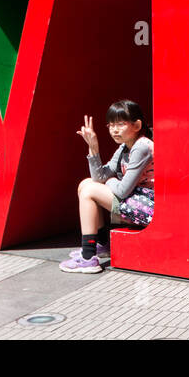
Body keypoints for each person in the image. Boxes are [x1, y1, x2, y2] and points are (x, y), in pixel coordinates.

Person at [60, 99, 154, 274]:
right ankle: (102, 244)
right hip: (135, 201)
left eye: (120, 124)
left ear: (137, 125)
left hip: (149, 208)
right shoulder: (124, 147)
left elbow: (121, 190)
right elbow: (99, 176)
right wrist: (93, 148)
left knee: (89, 190)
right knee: (85, 184)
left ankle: (88, 257)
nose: (114, 129)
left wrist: (108, 182)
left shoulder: (142, 147)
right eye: (110, 125)